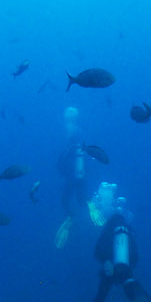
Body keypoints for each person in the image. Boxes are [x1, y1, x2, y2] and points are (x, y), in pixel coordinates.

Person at [85, 183, 151, 302]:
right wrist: (129, 268)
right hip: (126, 265)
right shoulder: (127, 229)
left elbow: (98, 249)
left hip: (109, 267)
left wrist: (105, 261)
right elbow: (135, 254)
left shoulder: (109, 227)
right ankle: (135, 290)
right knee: (127, 280)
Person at [54, 106, 88, 248]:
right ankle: (91, 206)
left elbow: (60, 164)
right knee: (81, 199)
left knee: (64, 200)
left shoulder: (70, 134)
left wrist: (63, 171)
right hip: (81, 175)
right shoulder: (80, 134)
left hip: (71, 177)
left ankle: (70, 217)